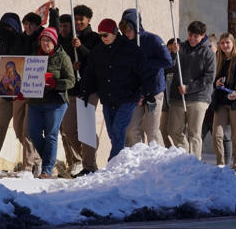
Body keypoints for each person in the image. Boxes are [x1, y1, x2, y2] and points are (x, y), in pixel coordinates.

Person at [0, 0, 41, 175]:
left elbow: (50, 33)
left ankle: (32, 163)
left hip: (25, 92)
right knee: (2, 128)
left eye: (31, 24)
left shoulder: (37, 40)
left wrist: (53, 11)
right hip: (7, 90)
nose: (28, 27)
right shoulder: (14, 39)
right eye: (26, 24)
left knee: (23, 131)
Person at [82, 19, 153, 162]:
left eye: (106, 35)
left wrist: (147, 93)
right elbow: (90, 74)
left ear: (115, 32)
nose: (103, 38)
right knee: (113, 133)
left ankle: (112, 164)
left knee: (118, 130)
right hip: (108, 98)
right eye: (101, 35)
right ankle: (124, 161)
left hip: (128, 97)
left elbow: (146, 73)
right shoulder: (97, 51)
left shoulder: (131, 50)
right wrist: (85, 92)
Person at [50, 4, 101, 177]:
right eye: (76, 19)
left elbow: (95, 59)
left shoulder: (94, 38)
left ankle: (90, 165)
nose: (78, 22)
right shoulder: (68, 39)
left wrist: (80, 48)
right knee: (68, 129)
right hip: (72, 89)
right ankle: (86, 153)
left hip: (89, 89)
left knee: (86, 128)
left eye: (82, 19)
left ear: (88, 20)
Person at [118, 9, 173, 148]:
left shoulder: (153, 40)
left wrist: (146, 62)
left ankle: (159, 159)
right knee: (131, 128)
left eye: (129, 28)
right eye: (124, 29)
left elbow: (167, 61)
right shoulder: (124, 44)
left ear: (136, 26)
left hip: (153, 91)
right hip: (136, 92)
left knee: (151, 129)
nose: (127, 32)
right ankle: (138, 158)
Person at [26, 27, 74, 178]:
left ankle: (47, 169)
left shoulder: (62, 57)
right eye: (43, 40)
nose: (45, 43)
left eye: (48, 40)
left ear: (54, 42)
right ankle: (47, 160)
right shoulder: (34, 56)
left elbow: (71, 81)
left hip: (56, 102)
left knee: (51, 135)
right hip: (35, 102)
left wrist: (55, 83)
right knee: (33, 133)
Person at [168, 21, 216, 159]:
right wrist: (173, 53)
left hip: (199, 97)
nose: (192, 39)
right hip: (178, 96)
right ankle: (184, 156)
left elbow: (208, 78)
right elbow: (169, 67)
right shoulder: (180, 48)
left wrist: (189, 88)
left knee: (194, 133)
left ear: (202, 36)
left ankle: (195, 162)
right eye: (190, 35)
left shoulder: (208, 52)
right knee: (173, 130)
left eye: (196, 36)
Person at [211, 32, 236, 176]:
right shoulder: (220, 59)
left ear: (233, 43)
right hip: (221, 102)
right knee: (217, 134)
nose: (225, 45)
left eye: (227, 43)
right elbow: (215, 80)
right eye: (222, 43)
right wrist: (216, 83)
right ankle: (221, 165)